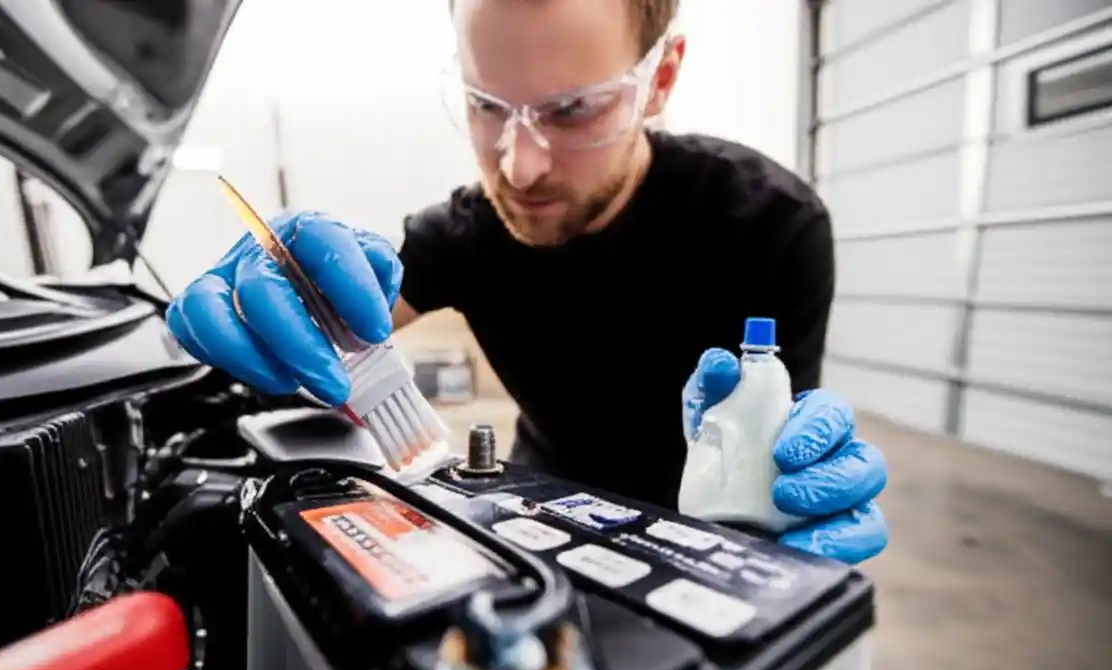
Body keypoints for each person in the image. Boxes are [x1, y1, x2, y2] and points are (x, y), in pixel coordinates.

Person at [165, 0, 889, 564]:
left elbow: (773, 441)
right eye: (486, 105)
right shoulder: (461, 235)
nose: (519, 168)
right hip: (534, 510)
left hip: (704, 529)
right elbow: (329, 339)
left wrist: (789, 499)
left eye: (572, 109)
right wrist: (256, 323)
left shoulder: (768, 227)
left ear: (659, 79)